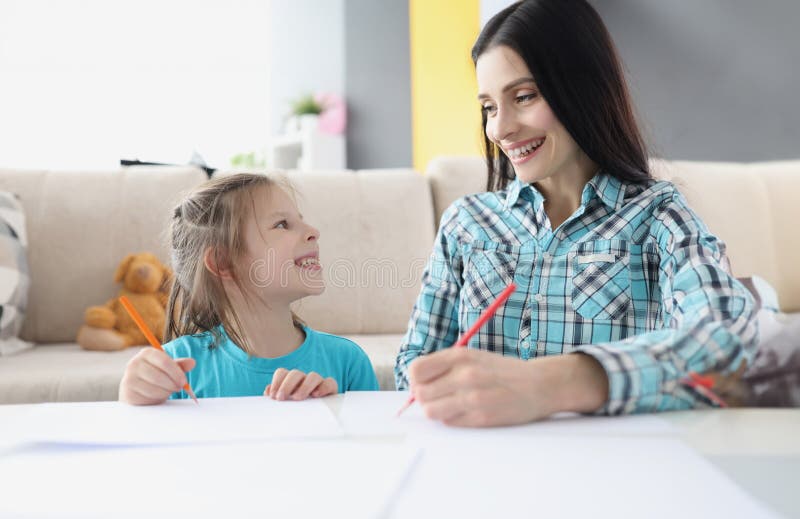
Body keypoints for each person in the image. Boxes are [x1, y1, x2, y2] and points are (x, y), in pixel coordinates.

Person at [395, 0, 757, 427]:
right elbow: (414, 364)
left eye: (524, 96)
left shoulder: (658, 216)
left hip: (607, 470)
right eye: (490, 107)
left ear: (583, 90)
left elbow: (728, 342)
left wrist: (553, 384)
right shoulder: (467, 224)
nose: (500, 129)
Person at [120, 173, 378, 404]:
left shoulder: (348, 363)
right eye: (282, 224)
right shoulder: (174, 368)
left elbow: (376, 450)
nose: (313, 232)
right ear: (224, 263)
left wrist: (331, 411)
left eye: (300, 220)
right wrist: (133, 398)